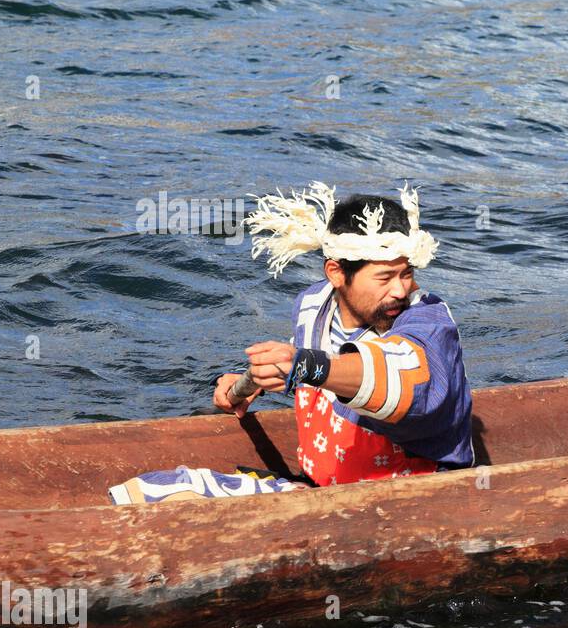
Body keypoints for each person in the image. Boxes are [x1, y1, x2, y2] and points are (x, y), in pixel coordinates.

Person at [109, 182, 472, 504]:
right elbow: (320, 374)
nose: (400, 289)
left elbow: (403, 379)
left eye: (407, 273)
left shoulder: (428, 322)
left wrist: (302, 365)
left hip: (414, 501)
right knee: (150, 490)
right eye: (385, 277)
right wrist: (265, 379)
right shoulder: (313, 305)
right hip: (323, 492)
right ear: (336, 273)